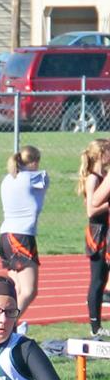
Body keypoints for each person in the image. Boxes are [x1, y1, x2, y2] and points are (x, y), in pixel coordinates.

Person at [0, 146, 48, 329]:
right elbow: (44, 180)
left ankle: (6, 323)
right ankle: (9, 325)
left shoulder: (8, 178)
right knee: (29, 290)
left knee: (16, 289)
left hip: (5, 236)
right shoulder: (35, 177)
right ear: (34, 162)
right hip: (22, 236)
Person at [78, 138, 110, 336]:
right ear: (101, 154)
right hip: (97, 232)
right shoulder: (93, 178)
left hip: (105, 229)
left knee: (102, 278)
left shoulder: (103, 175)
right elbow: (91, 210)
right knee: (97, 280)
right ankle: (94, 326)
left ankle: (97, 326)